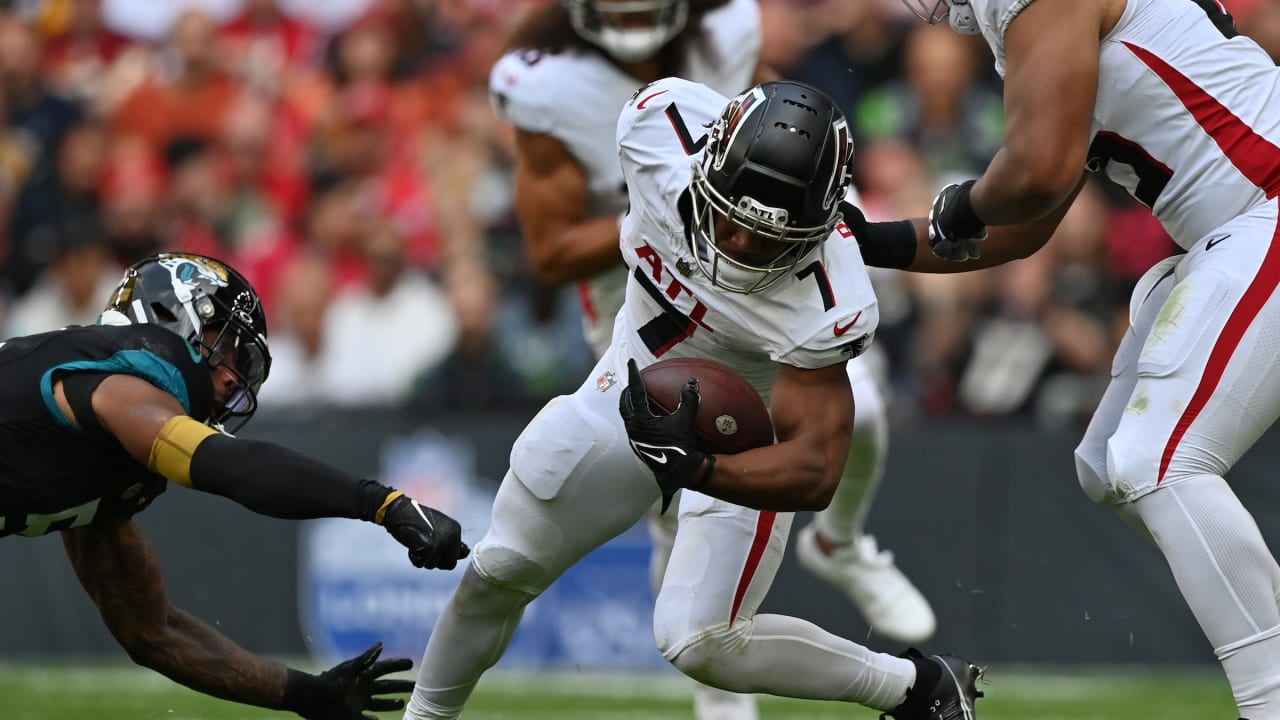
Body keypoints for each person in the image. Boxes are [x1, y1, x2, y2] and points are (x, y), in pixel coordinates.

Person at [404, 78, 983, 720]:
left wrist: (703, 470)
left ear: (818, 228)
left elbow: (816, 467)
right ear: (708, 166)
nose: (738, 247)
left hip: (742, 436)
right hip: (626, 389)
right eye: (731, 220)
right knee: (498, 571)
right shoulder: (657, 133)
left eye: (767, 239)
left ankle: (916, 688)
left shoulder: (830, 300)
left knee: (699, 641)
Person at [852, 2, 1280, 718]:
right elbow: (1021, 229)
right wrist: (869, 241)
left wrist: (960, 204)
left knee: (1156, 462)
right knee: (1108, 461)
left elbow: (1036, 173)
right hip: (1239, 226)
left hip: (1264, 206)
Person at [0, 252, 471, 720]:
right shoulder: (133, 373)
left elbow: (153, 632)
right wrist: (382, 503)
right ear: (170, 315)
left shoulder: (105, 454)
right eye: (225, 347)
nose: (231, 378)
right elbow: (227, 467)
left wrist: (305, 694)